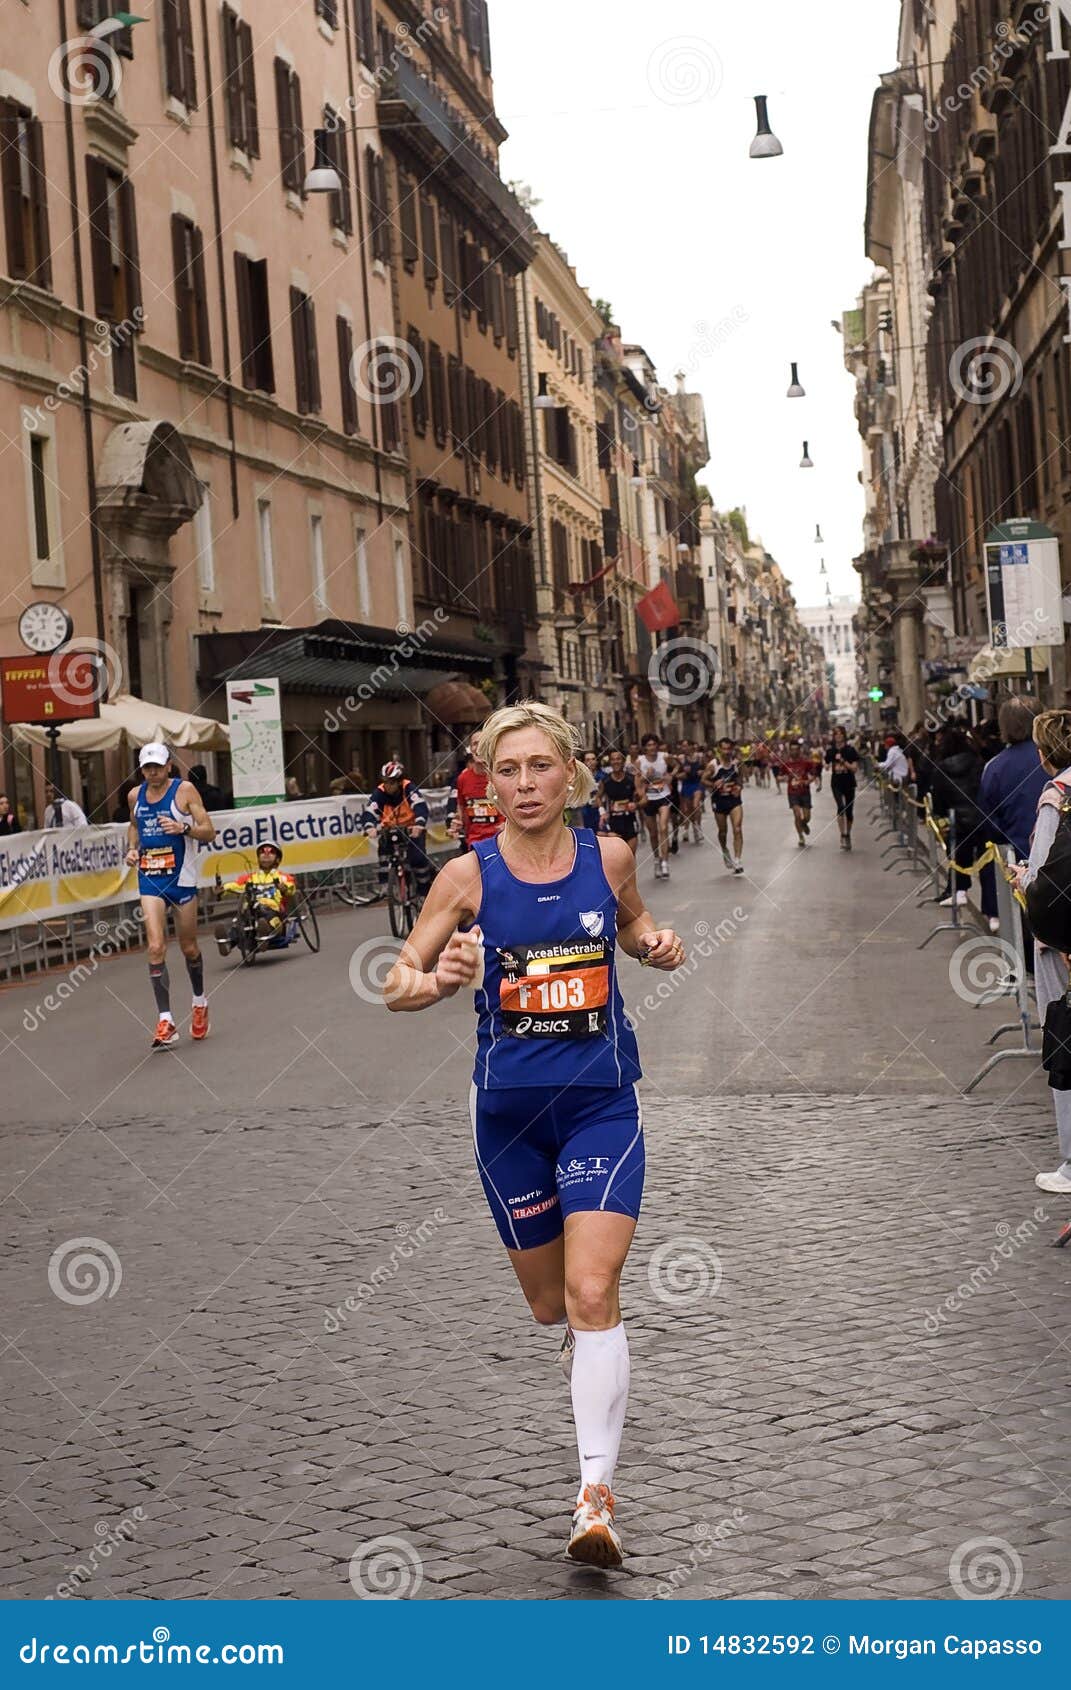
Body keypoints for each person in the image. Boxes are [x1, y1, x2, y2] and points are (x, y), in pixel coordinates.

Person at [383, 701, 684, 1568]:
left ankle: (594, 1499)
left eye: (539, 767)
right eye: (506, 771)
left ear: (569, 772)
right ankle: (585, 1350)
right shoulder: (464, 879)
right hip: (508, 1118)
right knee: (552, 1305)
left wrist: (653, 942)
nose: (523, 785)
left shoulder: (610, 856)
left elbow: (629, 922)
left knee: (593, 1293)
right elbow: (395, 982)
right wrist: (437, 980)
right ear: (487, 781)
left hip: (600, 1105)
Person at [125, 742, 216, 1050]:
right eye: (147, 767)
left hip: (182, 877)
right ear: (142, 770)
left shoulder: (185, 791)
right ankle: (165, 1020)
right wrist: (132, 849)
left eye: (157, 766)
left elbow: (209, 830)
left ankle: (199, 1002)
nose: (152, 772)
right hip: (150, 877)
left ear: (168, 767)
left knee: (189, 947)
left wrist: (183, 828)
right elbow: (134, 827)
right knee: (155, 945)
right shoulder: (135, 796)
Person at [1016, 709, 1071, 1195]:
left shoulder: (1057, 796)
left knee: (1064, 1040)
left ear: (1044, 755)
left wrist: (1021, 877)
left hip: (1062, 944)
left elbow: (1039, 877)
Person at [929, 724, 985, 909]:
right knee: (986, 864)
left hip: (957, 820)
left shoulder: (941, 768)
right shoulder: (977, 762)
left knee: (957, 856)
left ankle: (958, 890)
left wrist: (943, 813)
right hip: (980, 817)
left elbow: (938, 799)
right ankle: (991, 908)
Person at [363, 761, 434, 901]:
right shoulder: (380, 792)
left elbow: (420, 806)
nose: (388, 786)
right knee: (383, 852)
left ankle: (423, 890)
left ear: (399, 782)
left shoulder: (408, 788)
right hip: (391, 829)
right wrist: (369, 826)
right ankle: (385, 885)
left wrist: (419, 824)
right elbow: (370, 811)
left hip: (410, 829)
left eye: (392, 782)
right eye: (385, 782)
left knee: (417, 859)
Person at [216, 842, 296, 951]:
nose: (266, 854)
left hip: (273, 910)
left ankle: (264, 934)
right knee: (239, 921)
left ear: (278, 859)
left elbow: (291, 888)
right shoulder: (250, 878)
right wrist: (223, 889)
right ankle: (228, 943)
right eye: (262, 852)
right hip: (251, 909)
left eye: (271, 852)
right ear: (258, 858)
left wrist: (284, 889)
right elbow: (237, 886)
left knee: (267, 914)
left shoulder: (283, 877)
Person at [450, 731, 504, 851]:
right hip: (474, 845)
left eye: (483, 743)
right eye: (475, 743)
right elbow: (461, 808)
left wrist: (509, 825)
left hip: (500, 842)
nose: (478, 747)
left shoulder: (502, 775)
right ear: (470, 749)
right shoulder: (463, 779)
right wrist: (456, 824)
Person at [636, 733, 676, 879]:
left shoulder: (664, 757)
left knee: (664, 828)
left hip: (663, 796)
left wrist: (670, 776)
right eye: (649, 745)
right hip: (649, 799)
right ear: (644, 748)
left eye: (654, 745)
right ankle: (657, 859)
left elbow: (676, 766)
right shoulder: (640, 761)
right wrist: (642, 789)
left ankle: (665, 862)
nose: (652, 748)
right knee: (653, 833)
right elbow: (637, 781)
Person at [703, 738, 744, 873]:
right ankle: (725, 849)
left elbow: (741, 779)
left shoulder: (736, 763)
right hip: (719, 801)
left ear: (732, 749)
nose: (726, 752)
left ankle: (737, 861)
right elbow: (703, 779)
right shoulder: (713, 765)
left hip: (734, 800)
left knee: (737, 828)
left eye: (729, 749)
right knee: (723, 832)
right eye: (724, 749)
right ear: (719, 749)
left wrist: (739, 787)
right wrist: (714, 784)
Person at [597, 748, 639, 855]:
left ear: (623, 761)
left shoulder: (631, 779)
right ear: (610, 762)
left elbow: (644, 798)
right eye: (613, 759)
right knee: (618, 858)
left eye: (618, 759)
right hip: (614, 823)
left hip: (630, 821)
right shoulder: (605, 781)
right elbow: (598, 797)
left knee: (630, 857)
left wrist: (636, 804)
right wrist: (602, 813)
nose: (616, 762)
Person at [777, 737, 816, 847]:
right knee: (797, 814)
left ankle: (804, 824)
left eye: (796, 749)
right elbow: (778, 777)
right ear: (790, 751)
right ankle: (801, 837)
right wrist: (783, 779)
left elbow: (813, 775)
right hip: (792, 793)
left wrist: (808, 781)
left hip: (805, 792)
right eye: (792, 750)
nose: (794, 752)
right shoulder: (786, 764)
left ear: (799, 750)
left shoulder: (806, 763)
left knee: (807, 817)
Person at [826, 727, 860, 851]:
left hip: (849, 782)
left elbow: (854, 768)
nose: (838, 736)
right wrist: (825, 764)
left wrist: (843, 761)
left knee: (849, 811)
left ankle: (848, 834)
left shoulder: (850, 750)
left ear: (844, 736)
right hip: (836, 783)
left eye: (840, 734)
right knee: (841, 807)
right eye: (836, 734)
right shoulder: (831, 751)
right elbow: (826, 764)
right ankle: (842, 834)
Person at [674, 740, 704, 846]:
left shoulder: (700, 757)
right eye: (682, 746)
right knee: (688, 810)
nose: (684, 748)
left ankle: (698, 828)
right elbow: (676, 773)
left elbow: (707, 769)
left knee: (696, 805)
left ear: (692, 746)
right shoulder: (681, 758)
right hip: (686, 784)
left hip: (697, 784)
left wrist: (702, 772)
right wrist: (682, 774)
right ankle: (690, 828)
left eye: (686, 746)